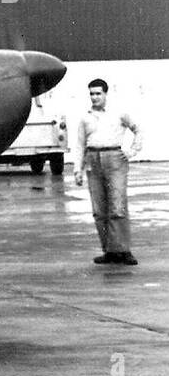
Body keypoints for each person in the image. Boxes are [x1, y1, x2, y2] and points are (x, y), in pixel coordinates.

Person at [74, 78, 142, 265]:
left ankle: (123, 250)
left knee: (117, 205)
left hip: (114, 159)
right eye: (92, 94)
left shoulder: (119, 113)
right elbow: (79, 144)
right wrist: (77, 170)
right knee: (99, 209)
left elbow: (138, 129)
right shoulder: (85, 117)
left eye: (98, 93)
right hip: (93, 159)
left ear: (105, 94)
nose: (94, 97)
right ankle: (109, 251)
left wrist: (132, 151)